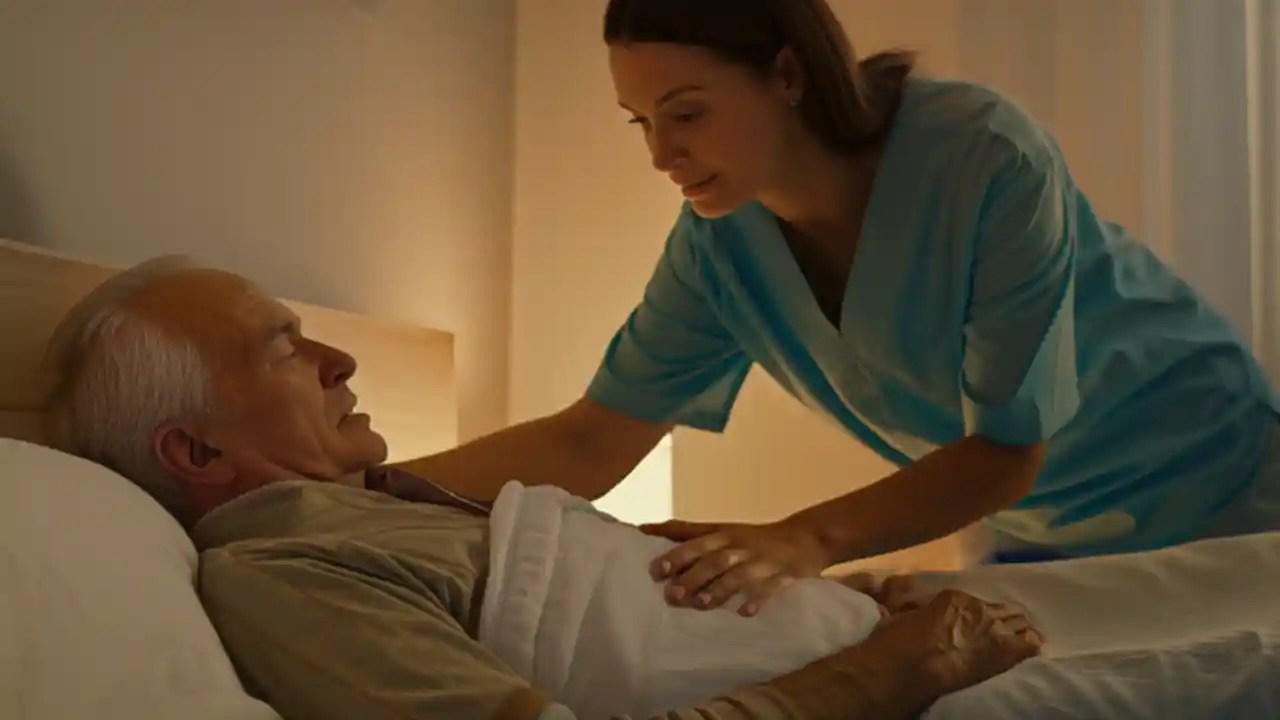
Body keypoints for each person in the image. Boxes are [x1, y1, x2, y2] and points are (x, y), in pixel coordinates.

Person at [400, 0, 1280, 615]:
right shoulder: (721, 245)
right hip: (1038, 526)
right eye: (640, 122)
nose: (663, 153)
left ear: (787, 73)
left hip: (1212, 471)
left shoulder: (978, 152)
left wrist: (804, 538)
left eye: (687, 113)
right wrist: (358, 494)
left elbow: (1008, 446)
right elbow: (590, 438)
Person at [41, 257, 1042, 720]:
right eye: (285, 349)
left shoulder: (386, 505)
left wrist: (848, 601)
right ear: (200, 457)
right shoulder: (286, 575)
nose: (339, 357)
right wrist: (891, 670)